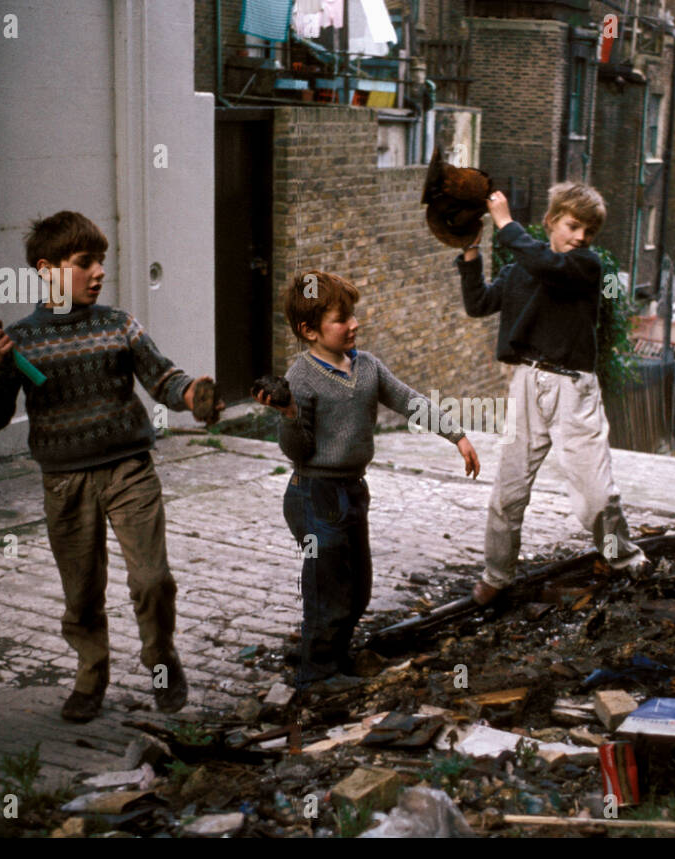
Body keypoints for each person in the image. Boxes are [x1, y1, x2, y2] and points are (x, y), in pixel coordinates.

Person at [0, 211, 223, 722]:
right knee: (82, 591)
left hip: (130, 470)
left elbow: (164, 378)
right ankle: (91, 673)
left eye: (101, 261)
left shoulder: (119, 324)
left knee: (153, 581)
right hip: (65, 483)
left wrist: (194, 394)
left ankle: (160, 660)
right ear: (47, 269)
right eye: (84, 262)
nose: (99, 272)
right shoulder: (21, 341)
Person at [255, 270, 479, 694]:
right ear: (309, 331)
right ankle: (315, 674)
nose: (354, 324)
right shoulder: (301, 377)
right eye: (341, 319)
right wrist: (286, 415)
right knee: (327, 587)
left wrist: (457, 435)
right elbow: (297, 450)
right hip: (313, 494)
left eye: (352, 315)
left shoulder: (368, 367)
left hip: (352, 491)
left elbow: (409, 399)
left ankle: (334, 656)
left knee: (358, 587)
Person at [456, 181, 648, 606]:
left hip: (573, 391)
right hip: (527, 383)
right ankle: (497, 575)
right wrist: (471, 251)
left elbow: (549, 268)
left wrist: (504, 222)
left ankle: (626, 560)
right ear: (551, 222)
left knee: (596, 496)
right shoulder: (522, 268)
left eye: (589, 232)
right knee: (508, 491)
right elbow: (479, 304)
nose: (580, 237)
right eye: (573, 226)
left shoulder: (586, 268)